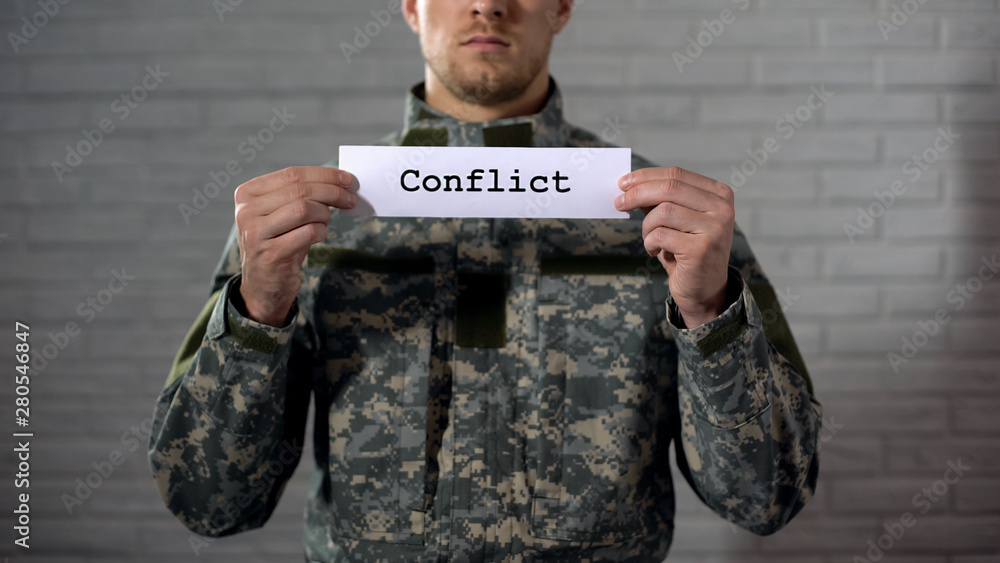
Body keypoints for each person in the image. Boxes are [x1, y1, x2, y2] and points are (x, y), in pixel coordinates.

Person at [147, 0, 823, 561]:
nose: (488, 4)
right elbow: (212, 503)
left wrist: (710, 313)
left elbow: (763, 498)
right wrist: (258, 312)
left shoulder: (670, 228)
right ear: (411, 6)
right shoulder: (303, 228)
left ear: (560, 7)